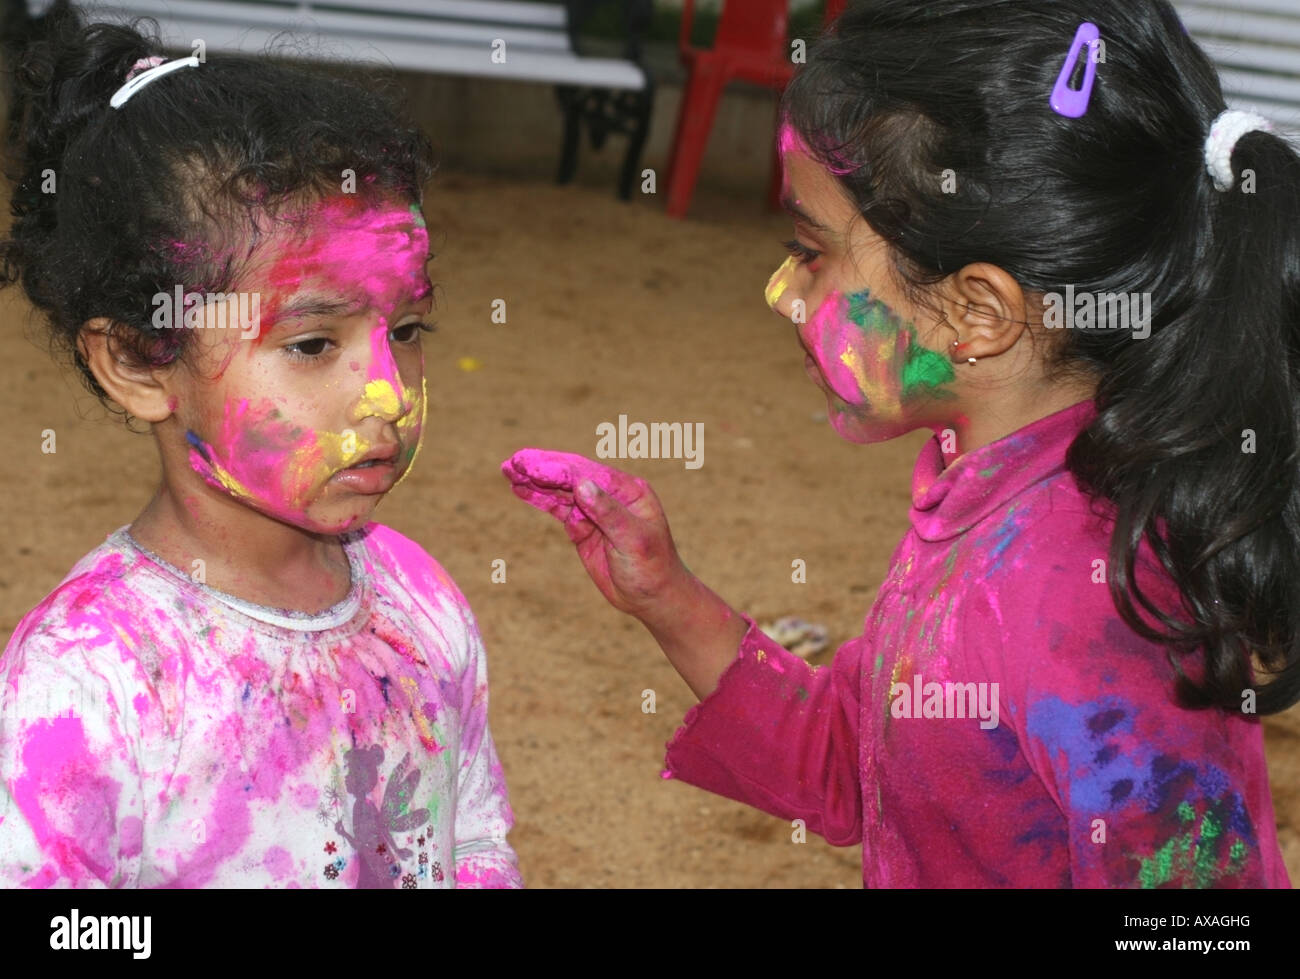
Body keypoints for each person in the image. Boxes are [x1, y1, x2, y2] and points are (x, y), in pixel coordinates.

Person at [503, 0, 1296, 887]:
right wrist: (668, 596)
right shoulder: (992, 490)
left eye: (811, 250)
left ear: (978, 314)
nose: (779, 289)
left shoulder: (1089, 606)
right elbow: (865, 762)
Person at [0, 10, 520, 888]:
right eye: (314, 344)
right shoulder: (88, 683)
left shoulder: (420, 604)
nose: (389, 392)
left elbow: (473, 835)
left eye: (408, 327)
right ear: (136, 359)